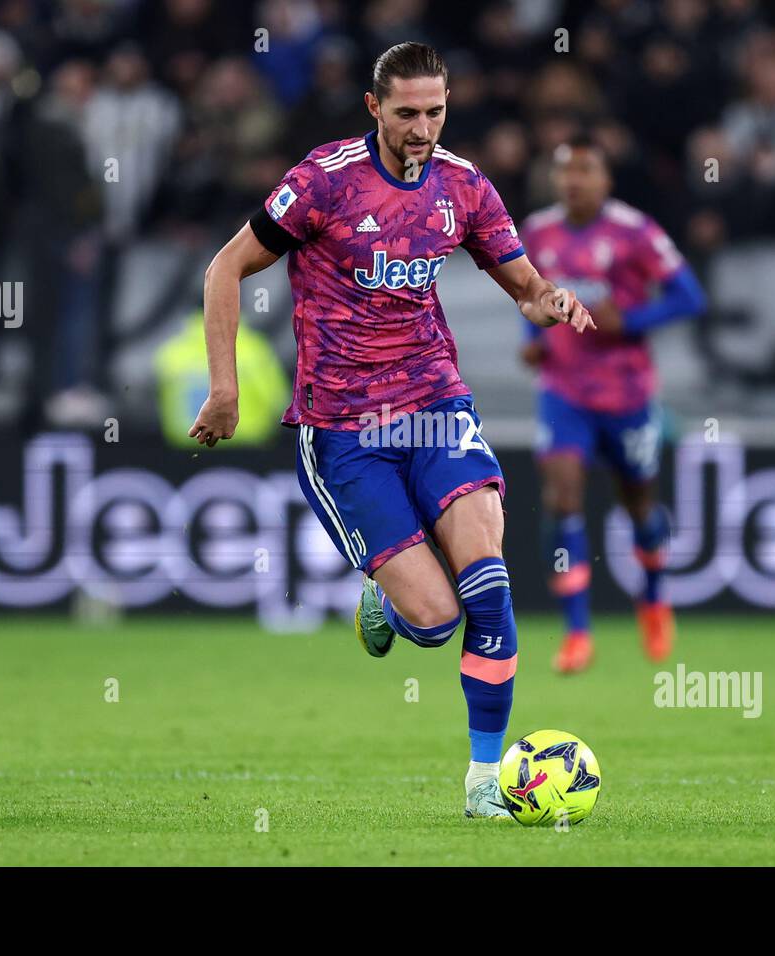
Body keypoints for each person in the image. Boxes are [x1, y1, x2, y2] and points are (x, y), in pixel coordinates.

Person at [189, 42, 593, 818]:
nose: (422, 127)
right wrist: (225, 387)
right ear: (374, 108)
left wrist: (554, 302)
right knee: (437, 623)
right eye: (406, 112)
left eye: (435, 111)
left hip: (435, 404)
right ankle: (385, 592)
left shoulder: (463, 186)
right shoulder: (323, 183)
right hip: (343, 427)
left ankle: (483, 786)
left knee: (489, 586)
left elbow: (526, 287)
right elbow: (224, 268)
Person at [520, 134, 707, 673]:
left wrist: (634, 321)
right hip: (563, 389)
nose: (574, 180)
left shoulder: (635, 231)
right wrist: (532, 336)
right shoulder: (537, 232)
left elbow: (689, 296)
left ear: (606, 179)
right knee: (561, 498)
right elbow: (526, 292)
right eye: (565, 171)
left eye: (586, 170)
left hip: (627, 392)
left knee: (638, 505)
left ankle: (652, 596)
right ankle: (578, 632)